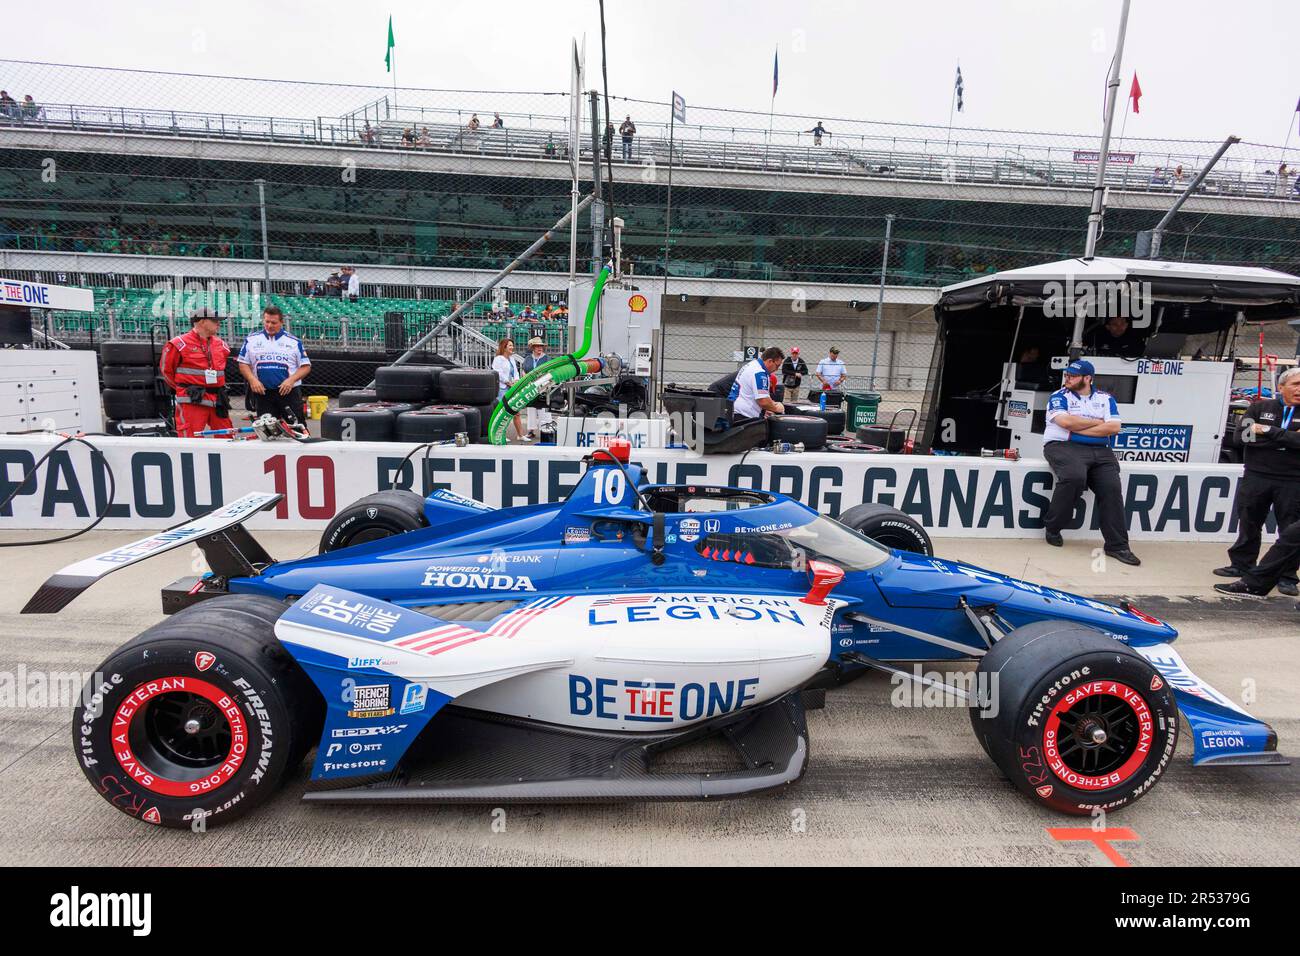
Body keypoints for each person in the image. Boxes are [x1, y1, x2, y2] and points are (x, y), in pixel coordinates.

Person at [1041, 359, 1140, 565]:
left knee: (1112, 488)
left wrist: (1079, 428)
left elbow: (1113, 428)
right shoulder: (1059, 396)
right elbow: (1066, 422)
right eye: (1066, 374)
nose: (1067, 378)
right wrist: (1097, 423)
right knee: (1074, 477)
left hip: (1101, 451)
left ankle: (1117, 546)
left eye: (1072, 376)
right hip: (1062, 447)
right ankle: (1053, 527)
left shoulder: (1105, 399)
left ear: (1087, 378)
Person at [1214, 366, 1300, 595]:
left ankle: (1287, 575)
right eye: (1296, 384)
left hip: (1293, 480)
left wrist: (1266, 431)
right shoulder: (1261, 406)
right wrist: (1288, 439)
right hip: (1256, 475)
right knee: (1249, 520)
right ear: (1281, 387)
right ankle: (1241, 564)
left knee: (1290, 529)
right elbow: (1241, 437)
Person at [160, 307, 232, 439]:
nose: (219, 324)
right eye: (215, 320)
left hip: (217, 399)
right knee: (191, 440)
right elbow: (167, 371)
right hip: (192, 399)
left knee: (227, 436)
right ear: (202, 321)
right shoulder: (178, 344)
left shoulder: (222, 345)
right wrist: (184, 389)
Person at [237, 305, 311, 424]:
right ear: (263, 320)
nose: (270, 326)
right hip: (263, 393)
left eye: (274, 322)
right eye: (267, 322)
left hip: (289, 392)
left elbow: (306, 367)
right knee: (268, 432)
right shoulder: (251, 340)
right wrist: (252, 380)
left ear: (281, 322)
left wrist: (291, 380)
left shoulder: (294, 341)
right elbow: (243, 363)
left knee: (298, 428)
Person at [728, 346, 786, 423]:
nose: (777, 369)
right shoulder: (759, 372)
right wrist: (777, 408)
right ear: (770, 361)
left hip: (735, 410)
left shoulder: (752, 365)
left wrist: (770, 405)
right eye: (777, 365)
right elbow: (763, 401)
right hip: (744, 416)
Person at [492, 338, 525, 439]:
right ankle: (502, 435)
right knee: (503, 413)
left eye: (512, 345)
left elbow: (515, 372)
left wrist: (516, 381)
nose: (512, 347)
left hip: (512, 388)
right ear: (504, 347)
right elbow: (498, 373)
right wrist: (508, 382)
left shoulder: (512, 359)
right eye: (510, 345)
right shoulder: (498, 359)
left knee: (516, 412)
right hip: (503, 389)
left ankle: (520, 435)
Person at [521, 336, 553, 440]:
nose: (540, 348)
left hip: (543, 387)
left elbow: (550, 372)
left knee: (544, 407)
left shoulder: (547, 359)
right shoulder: (528, 358)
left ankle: (547, 429)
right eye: (537, 346)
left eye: (541, 346)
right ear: (533, 348)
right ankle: (531, 430)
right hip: (530, 386)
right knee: (531, 408)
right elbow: (524, 370)